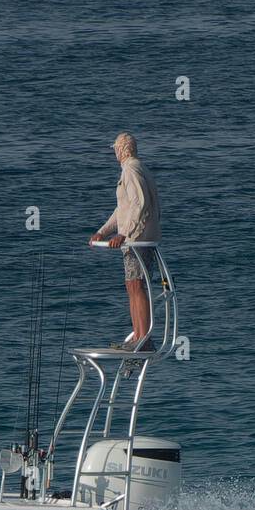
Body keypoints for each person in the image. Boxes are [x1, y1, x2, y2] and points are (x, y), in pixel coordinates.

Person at [89, 131, 163, 351]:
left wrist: (124, 234)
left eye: (115, 149)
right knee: (133, 285)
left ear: (122, 149)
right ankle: (139, 336)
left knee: (136, 285)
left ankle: (143, 338)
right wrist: (103, 232)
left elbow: (139, 204)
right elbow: (122, 209)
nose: (115, 153)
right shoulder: (136, 168)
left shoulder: (131, 170)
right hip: (136, 239)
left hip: (136, 240)